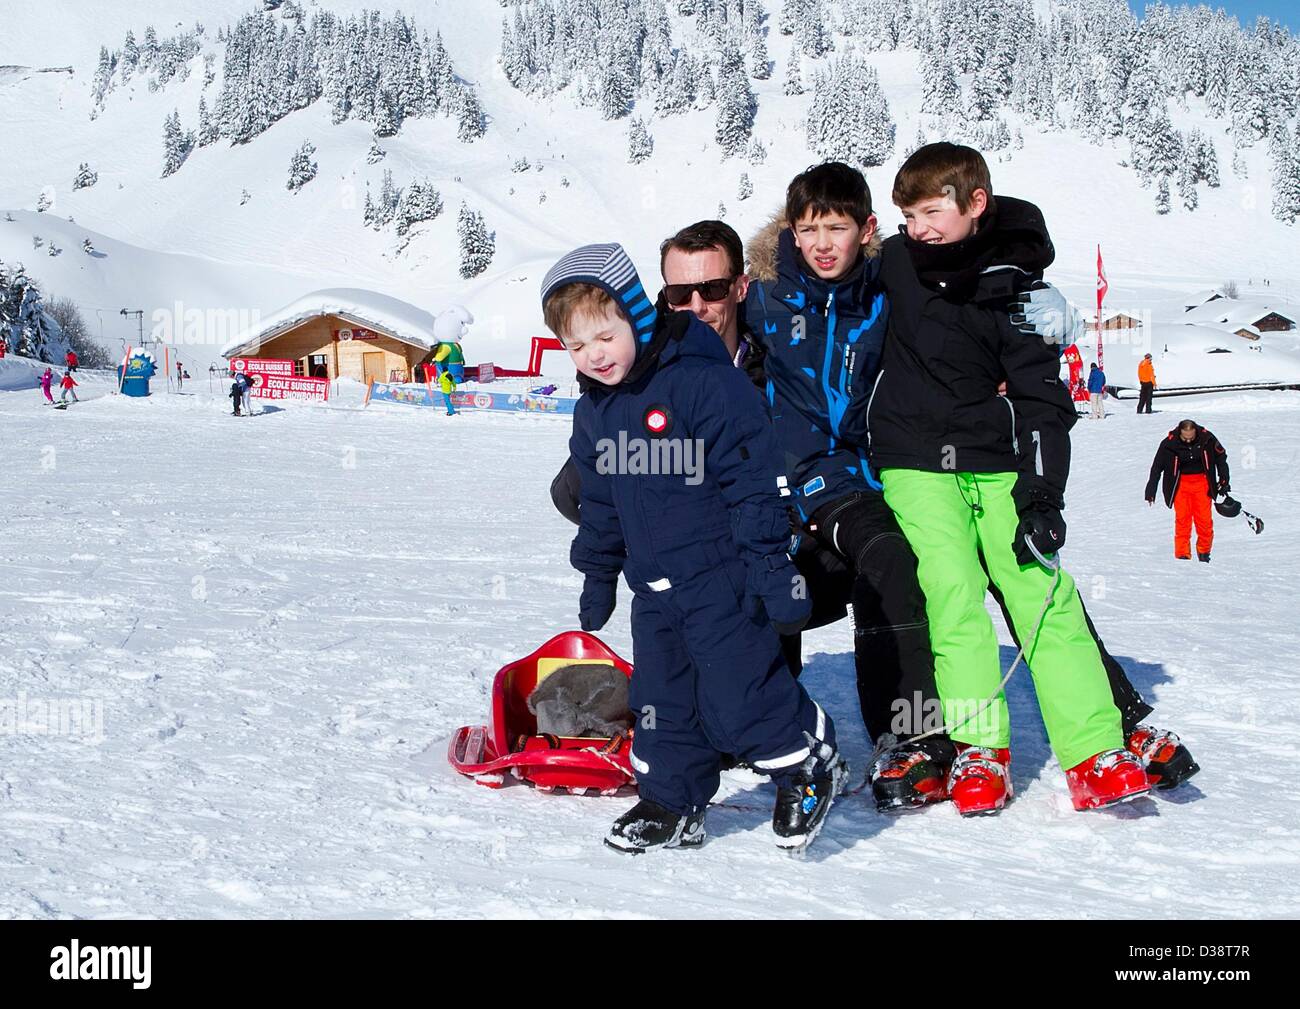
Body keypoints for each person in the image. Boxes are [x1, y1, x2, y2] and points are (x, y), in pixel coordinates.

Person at [551, 217, 1198, 804]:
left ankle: (991, 730)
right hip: (740, 558)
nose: (697, 307)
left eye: (713, 290)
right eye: (678, 296)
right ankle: (731, 727)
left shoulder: (792, 342)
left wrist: (1018, 304)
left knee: (957, 555)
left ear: (742, 289)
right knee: (733, 596)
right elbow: (595, 472)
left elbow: (927, 303)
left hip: (829, 523)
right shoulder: (658, 376)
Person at [867, 142, 1150, 815]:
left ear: (976, 204)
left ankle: (1094, 749)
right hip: (912, 455)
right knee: (952, 591)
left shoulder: (1019, 285)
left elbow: (1041, 397)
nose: (919, 228)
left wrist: (1044, 491)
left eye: (933, 212)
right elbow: (820, 274)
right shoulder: (897, 265)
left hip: (995, 459)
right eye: (908, 214)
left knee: (1039, 588)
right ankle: (978, 749)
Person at [542, 242, 845, 854]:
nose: (593, 356)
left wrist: (768, 568)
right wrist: (598, 575)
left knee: (740, 694)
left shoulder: (705, 385)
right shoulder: (595, 412)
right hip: (652, 587)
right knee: (663, 700)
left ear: (636, 316)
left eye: (604, 336)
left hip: (722, 579)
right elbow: (599, 503)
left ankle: (807, 761)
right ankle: (671, 800)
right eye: (577, 346)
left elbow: (754, 486)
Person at [1144, 419, 1229, 562]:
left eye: (1191, 436)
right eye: (1185, 437)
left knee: (1204, 520)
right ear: (1180, 432)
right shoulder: (1169, 444)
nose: (1188, 439)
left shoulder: (1207, 438)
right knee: (1183, 520)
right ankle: (1182, 554)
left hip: (1202, 483)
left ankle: (1204, 551)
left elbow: (1221, 457)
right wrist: (1151, 489)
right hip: (1180, 485)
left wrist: (1224, 479)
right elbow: (1157, 467)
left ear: (1195, 431)